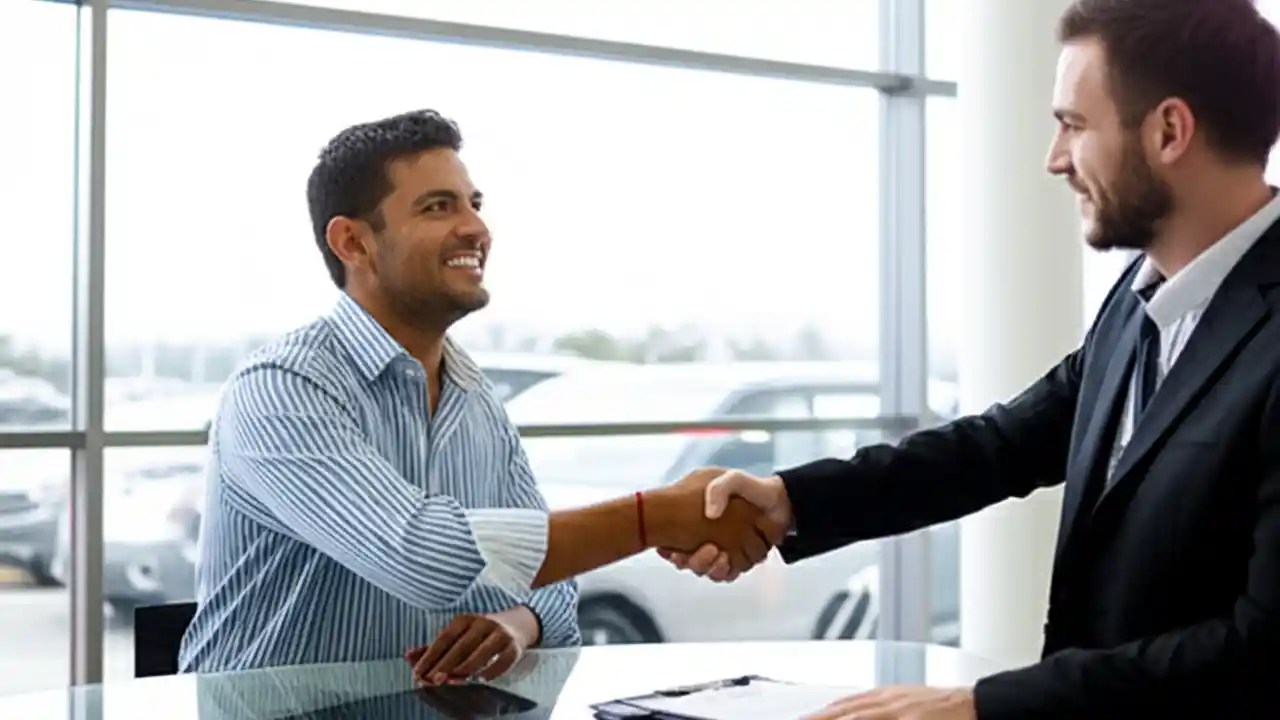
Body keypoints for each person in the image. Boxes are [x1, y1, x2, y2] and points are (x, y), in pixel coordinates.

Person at [664, 0, 1280, 717]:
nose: (1055, 159)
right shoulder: (1142, 299)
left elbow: (1260, 650)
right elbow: (999, 445)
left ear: (1169, 130)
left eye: (1073, 125)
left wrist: (980, 706)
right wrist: (790, 500)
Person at [178, 109, 783, 685]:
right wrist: (656, 516)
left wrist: (517, 623)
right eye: (438, 207)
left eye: (474, 203)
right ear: (354, 243)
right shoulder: (283, 389)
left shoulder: (476, 397)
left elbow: (556, 592)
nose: (475, 228)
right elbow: (420, 554)